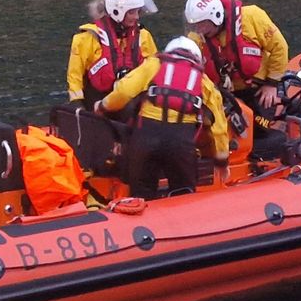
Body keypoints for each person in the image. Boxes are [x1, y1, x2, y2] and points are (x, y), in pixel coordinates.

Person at [95, 36, 229, 198]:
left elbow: (123, 91)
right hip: (180, 142)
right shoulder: (204, 81)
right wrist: (221, 161)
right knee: (183, 194)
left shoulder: (153, 65)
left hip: (145, 136)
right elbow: (219, 127)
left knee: (141, 192)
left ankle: (140, 217)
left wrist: (103, 106)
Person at [182, 0, 289, 113]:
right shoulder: (195, 39)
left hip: (260, 87)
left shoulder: (252, 17)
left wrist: (271, 85)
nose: (198, 30)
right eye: (194, 26)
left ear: (215, 17)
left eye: (201, 25)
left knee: (262, 128)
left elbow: (279, 47)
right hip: (225, 94)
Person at [66, 0, 158, 106]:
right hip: (97, 104)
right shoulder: (88, 38)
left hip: (133, 105)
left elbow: (154, 70)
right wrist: (77, 104)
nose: (136, 17)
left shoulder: (143, 36)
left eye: (138, 12)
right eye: (132, 12)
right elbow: (75, 77)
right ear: (117, 11)